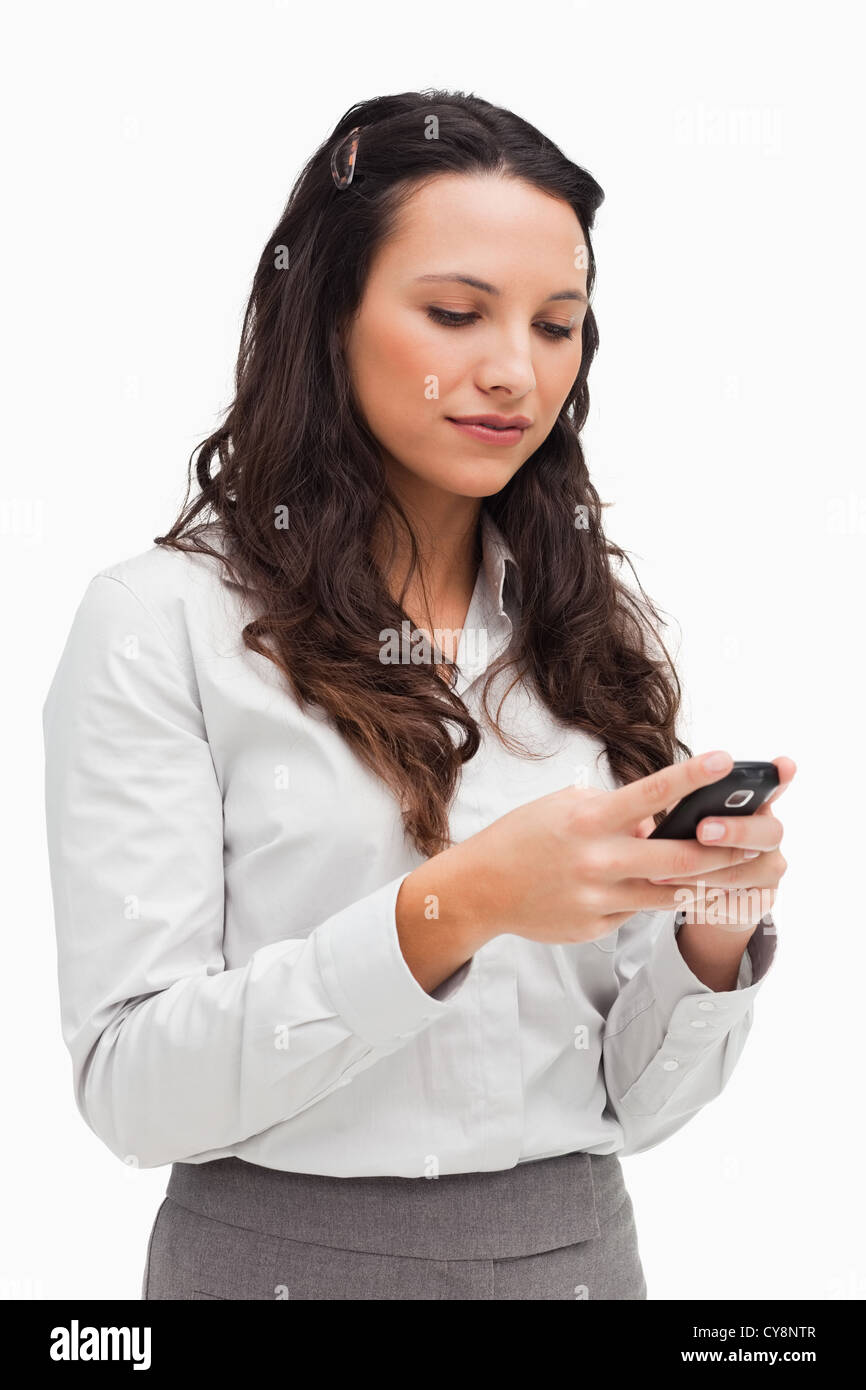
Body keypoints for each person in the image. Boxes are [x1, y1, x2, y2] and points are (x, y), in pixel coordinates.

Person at [42, 90, 794, 1301]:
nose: (513, 370)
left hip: (581, 1263)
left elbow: (637, 1107)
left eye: (558, 325)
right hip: (276, 1268)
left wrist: (710, 927)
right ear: (326, 312)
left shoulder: (584, 629)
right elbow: (132, 1089)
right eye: (454, 312)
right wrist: (457, 905)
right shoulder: (161, 625)